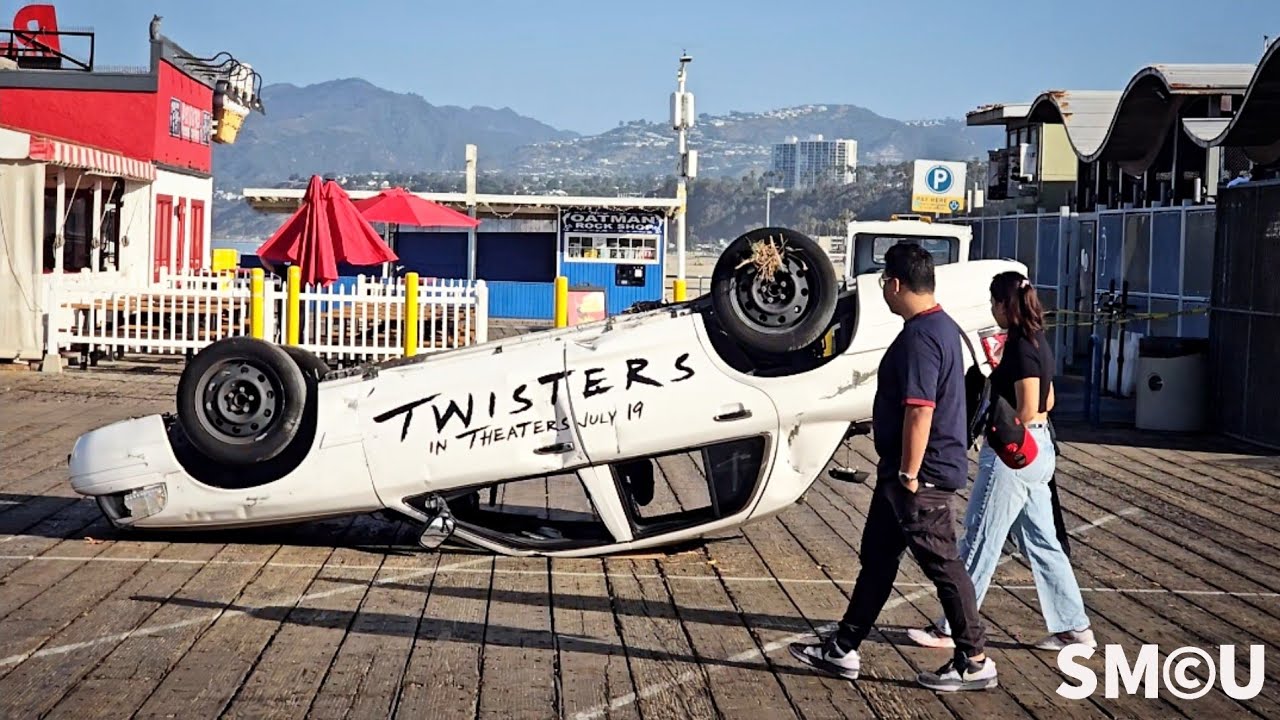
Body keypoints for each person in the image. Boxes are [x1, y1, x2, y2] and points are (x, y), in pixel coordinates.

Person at [789, 242, 998, 692]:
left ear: (898, 284)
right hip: (903, 474)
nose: (883, 289)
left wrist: (908, 472)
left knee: (943, 564)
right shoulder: (944, 328)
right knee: (878, 560)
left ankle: (975, 658)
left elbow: (920, 409)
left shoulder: (922, 337)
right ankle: (843, 648)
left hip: (918, 477)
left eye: (885, 281)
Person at [906, 270, 1096, 652]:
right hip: (1039, 449)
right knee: (1043, 541)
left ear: (1005, 304)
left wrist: (997, 422)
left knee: (979, 536)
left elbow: (1027, 408)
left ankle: (951, 627)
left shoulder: (1022, 347)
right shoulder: (1037, 342)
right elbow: (1049, 402)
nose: (992, 309)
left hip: (1015, 454)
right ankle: (1075, 628)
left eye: (994, 302)